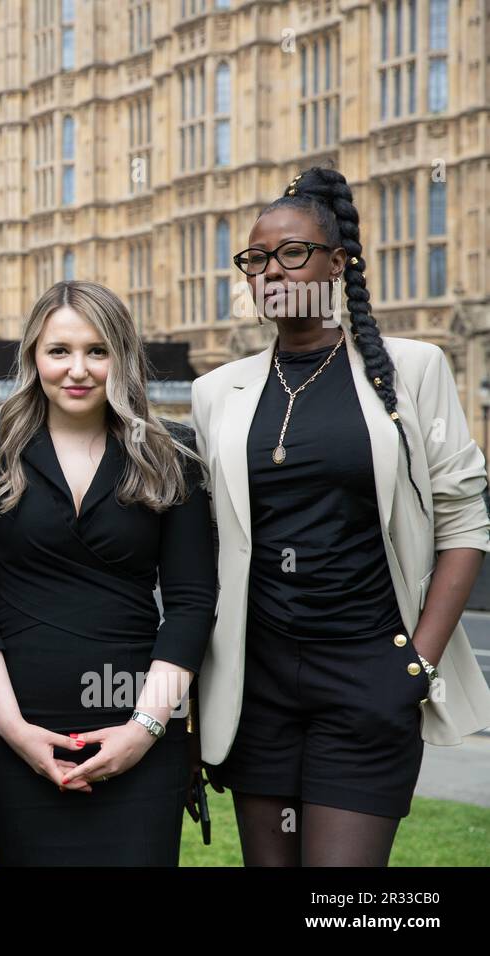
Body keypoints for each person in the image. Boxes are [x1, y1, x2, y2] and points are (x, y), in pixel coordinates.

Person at [193, 166, 490, 866]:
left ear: (339, 262)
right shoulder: (217, 393)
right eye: (257, 258)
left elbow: (463, 520)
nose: (272, 270)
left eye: (292, 252)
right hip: (255, 686)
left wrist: (416, 664)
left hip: (368, 676)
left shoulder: (411, 369)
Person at [0, 280, 216, 865]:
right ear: (33, 358)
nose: (78, 369)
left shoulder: (172, 455)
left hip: (141, 735)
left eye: (98, 351)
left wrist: (143, 729)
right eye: (59, 351)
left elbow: (193, 604)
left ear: (123, 357)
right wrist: (14, 730)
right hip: (16, 735)